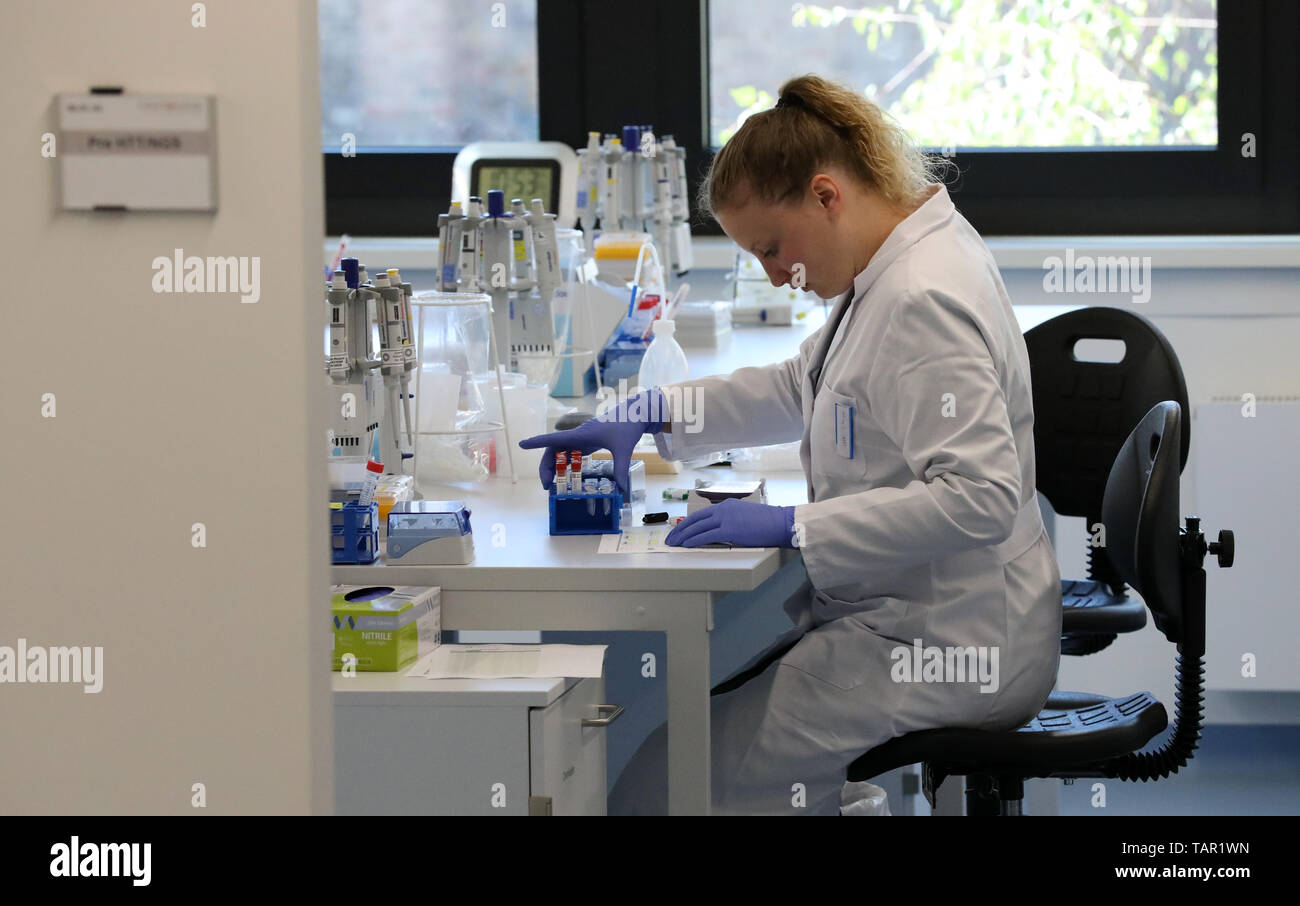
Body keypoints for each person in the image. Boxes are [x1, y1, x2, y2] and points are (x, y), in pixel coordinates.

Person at [519, 74, 1061, 815]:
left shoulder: (919, 296)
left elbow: (981, 496)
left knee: (667, 783)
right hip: (912, 619)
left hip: (950, 643)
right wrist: (648, 412)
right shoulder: (892, 269)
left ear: (827, 195)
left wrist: (794, 527)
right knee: (690, 749)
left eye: (773, 248)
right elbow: (796, 388)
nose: (776, 274)